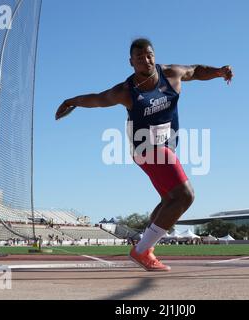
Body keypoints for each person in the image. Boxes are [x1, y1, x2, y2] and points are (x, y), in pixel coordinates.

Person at [55, 38, 233, 271]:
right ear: (131, 62)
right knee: (185, 196)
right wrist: (71, 101)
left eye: (149, 55)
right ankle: (141, 251)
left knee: (170, 200)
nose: (145, 60)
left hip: (166, 147)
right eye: (139, 58)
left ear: (154, 56)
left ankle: (144, 247)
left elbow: (196, 71)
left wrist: (219, 71)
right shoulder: (126, 91)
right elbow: (98, 99)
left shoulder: (171, 74)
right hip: (146, 148)